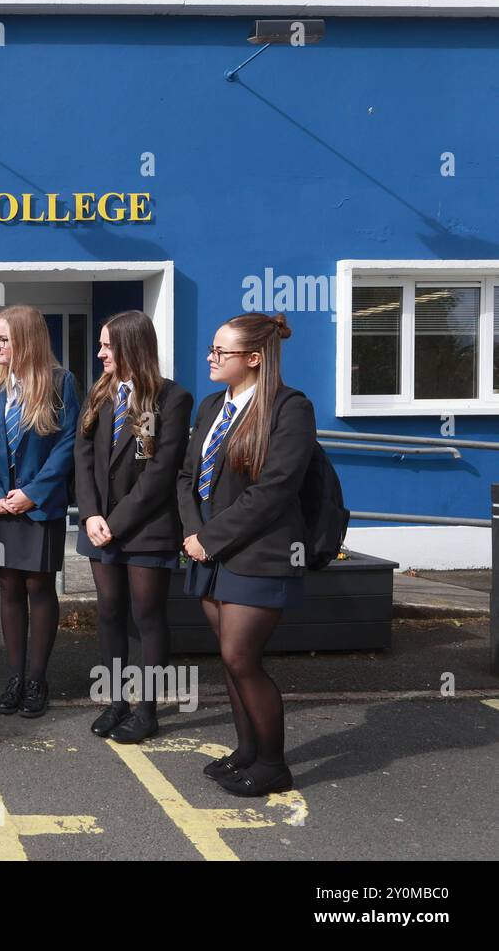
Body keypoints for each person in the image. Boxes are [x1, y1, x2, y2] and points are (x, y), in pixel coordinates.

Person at [178, 312, 314, 797]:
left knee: (241, 657)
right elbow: (187, 477)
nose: (211, 358)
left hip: (261, 553)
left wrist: (210, 538)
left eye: (221, 352)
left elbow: (276, 489)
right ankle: (247, 751)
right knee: (229, 658)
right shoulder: (213, 404)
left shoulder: (289, 408)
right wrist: (195, 534)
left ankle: (274, 764)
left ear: (254, 359)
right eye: (212, 349)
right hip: (209, 554)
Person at [75, 310, 193, 743]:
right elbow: (83, 458)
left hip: (146, 528)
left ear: (131, 348)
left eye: (108, 345)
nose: (101, 352)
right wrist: (90, 515)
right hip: (99, 525)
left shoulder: (170, 399)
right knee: (109, 612)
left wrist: (116, 522)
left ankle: (146, 711)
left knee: (146, 616)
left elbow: (157, 472)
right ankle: (115, 703)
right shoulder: (100, 393)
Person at [0, 306, 79, 717]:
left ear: (27, 340)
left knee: (38, 588)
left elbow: (67, 444)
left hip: (39, 505)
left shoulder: (60, 382)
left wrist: (32, 493)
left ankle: (37, 681)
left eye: (3, 340)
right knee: (9, 588)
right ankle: (14, 678)